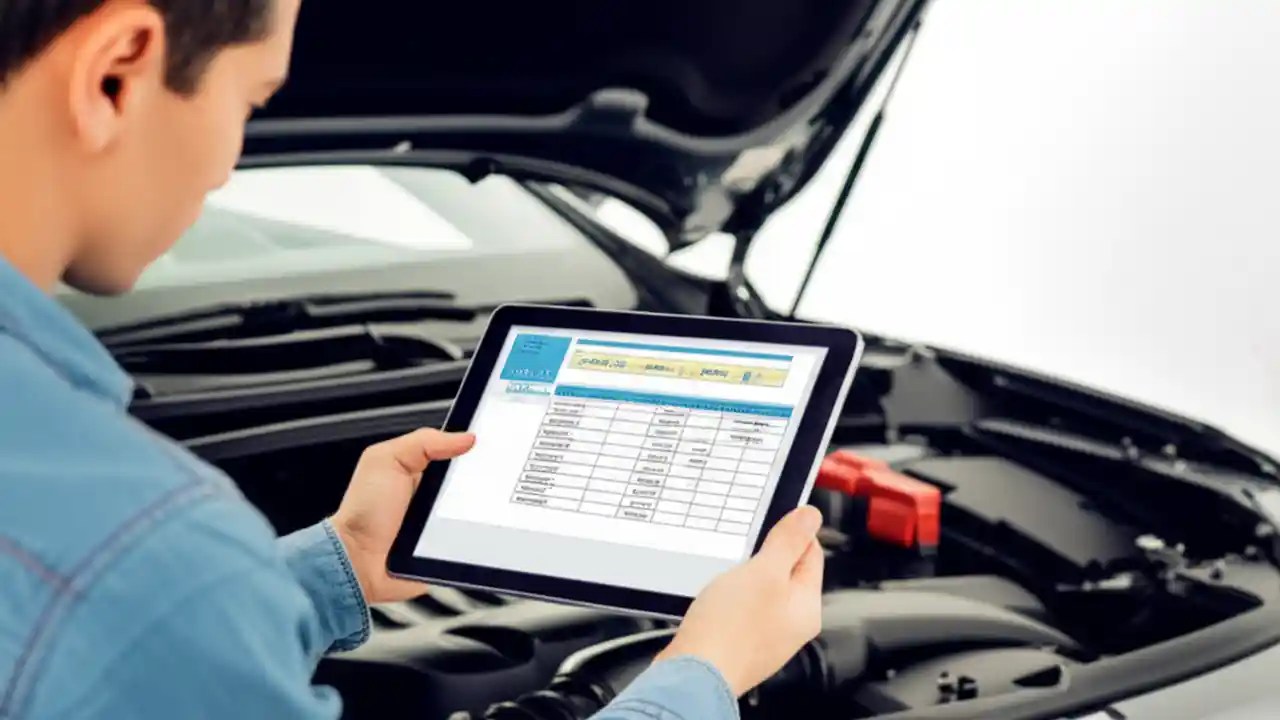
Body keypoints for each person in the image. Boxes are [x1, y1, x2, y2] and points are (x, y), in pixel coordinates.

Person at [0, 2, 826, 719]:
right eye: (252, 99)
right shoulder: (137, 548)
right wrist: (704, 674)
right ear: (117, 73)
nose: (228, 162)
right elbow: (117, 608)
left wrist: (341, 564)